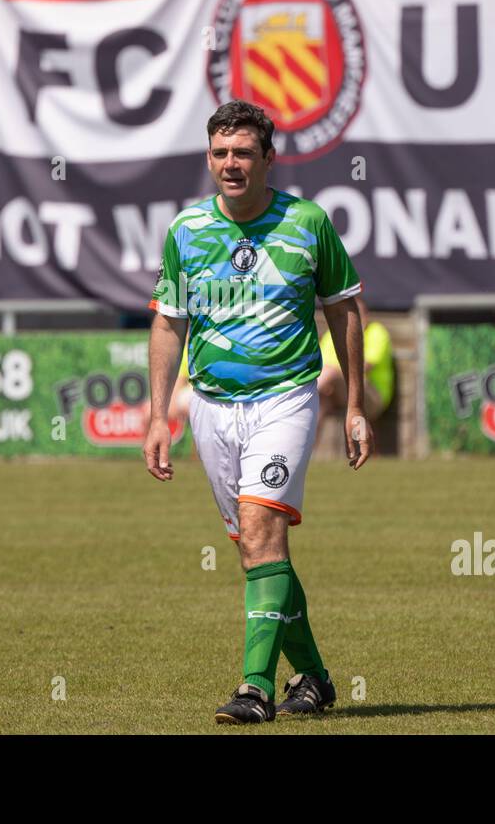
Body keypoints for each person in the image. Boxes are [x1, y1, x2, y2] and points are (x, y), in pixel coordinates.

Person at [143, 100, 372, 725]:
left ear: (268, 158)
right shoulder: (187, 231)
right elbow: (169, 321)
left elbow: (344, 309)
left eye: (243, 152)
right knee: (257, 552)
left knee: (263, 530)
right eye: (220, 153)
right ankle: (318, 679)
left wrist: (353, 405)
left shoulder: (307, 223)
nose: (231, 164)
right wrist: (159, 414)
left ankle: (253, 688)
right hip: (212, 408)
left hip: (286, 399)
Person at [317, 295, 394, 431]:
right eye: (350, 314)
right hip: (338, 393)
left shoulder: (377, 332)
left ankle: (301, 397)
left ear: (366, 314)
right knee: (320, 402)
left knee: (327, 378)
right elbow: (320, 367)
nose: (355, 318)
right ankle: (310, 451)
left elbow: (364, 367)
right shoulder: (332, 335)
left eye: (359, 313)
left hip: (372, 396)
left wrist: (333, 374)